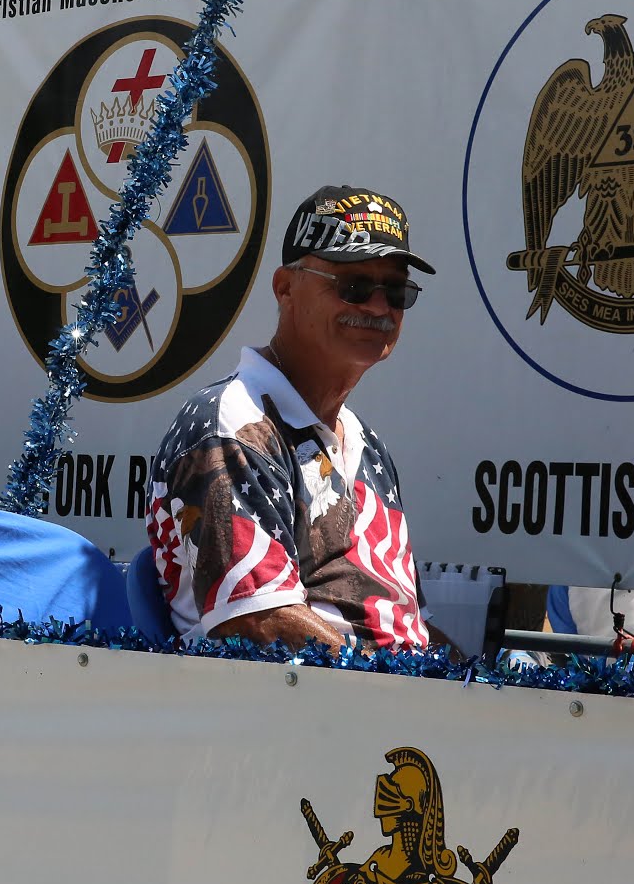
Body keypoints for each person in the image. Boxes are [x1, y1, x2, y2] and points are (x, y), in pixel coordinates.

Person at [146, 185, 436, 654]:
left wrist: (477, 682)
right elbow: (261, 623)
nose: (380, 307)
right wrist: (415, 700)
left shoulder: (365, 442)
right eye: (354, 287)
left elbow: (405, 624)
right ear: (285, 288)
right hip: (303, 715)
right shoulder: (234, 426)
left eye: (397, 291)